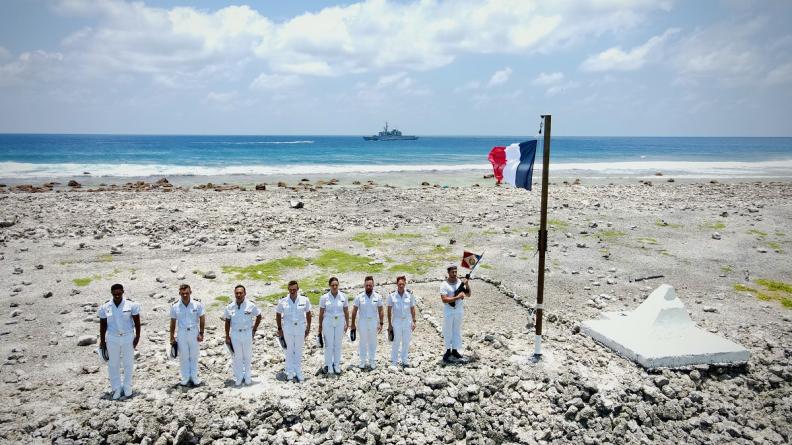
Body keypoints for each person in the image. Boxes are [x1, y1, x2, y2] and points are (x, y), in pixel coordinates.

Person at [98, 283, 141, 400]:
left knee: (128, 363)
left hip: (128, 336)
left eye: (119, 293)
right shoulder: (105, 306)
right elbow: (103, 325)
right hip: (112, 338)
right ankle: (116, 388)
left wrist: (137, 336)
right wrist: (102, 341)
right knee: (113, 364)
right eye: (115, 294)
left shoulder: (131, 305)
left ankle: (127, 387)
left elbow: (137, 322)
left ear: (123, 292)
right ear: (111, 293)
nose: (117, 296)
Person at [223, 284, 262, 386]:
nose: (239, 295)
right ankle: (239, 377)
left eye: (241, 293)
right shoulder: (230, 306)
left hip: (247, 333)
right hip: (235, 333)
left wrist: (254, 330)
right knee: (238, 357)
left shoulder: (251, 305)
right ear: (234, 294)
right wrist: (227, 336)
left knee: (248, 356)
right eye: (237, 293)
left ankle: (248, 377)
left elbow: (259, 316)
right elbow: (227, 321)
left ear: (245, 293)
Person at [276, 280, 312, 382]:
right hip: (288, 329)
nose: (292, 291)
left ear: (298, 289)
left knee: (299, 349)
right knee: (289, 350)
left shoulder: (304, 300)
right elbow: (278, 314)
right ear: (288, 289)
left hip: (300, 328)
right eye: (290, 290)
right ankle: (289, 371)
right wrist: (279, 328)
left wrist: (308, 327)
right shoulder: (283, 301)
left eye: (294, 290)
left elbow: (308, 313)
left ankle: (298, 370)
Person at [169, 284, 205, 386]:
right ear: (179, 293)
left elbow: (202, 318)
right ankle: (185, 377)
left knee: (194, 355)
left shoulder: (197, 304)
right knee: (184, 356)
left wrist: (201, 333)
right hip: (182, 332)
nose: (185, 295)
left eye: (187, 293)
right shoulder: (175, 306)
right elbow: (172, 322)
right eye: (183, 293)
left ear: (190, 292)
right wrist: (171, 336)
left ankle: (194, 377)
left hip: (194, 332)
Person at [350, 275, 384, 369]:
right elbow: (354, 311)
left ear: (373, 285)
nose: (368, 287)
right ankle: (362, 361)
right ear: (364, 285)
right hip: (362, 321)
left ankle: (372, 360)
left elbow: (381, 310)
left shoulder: (378, 296)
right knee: (363, 341)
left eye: (370, 285)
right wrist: (352, 324)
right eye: (367, 285)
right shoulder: (359, 297)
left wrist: (381, 323)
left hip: (373, 321)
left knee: (373, 341)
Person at [318, 277, 349, 374]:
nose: (335, 287)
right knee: (329, 344)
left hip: (340, 321)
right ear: (329, 286)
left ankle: (336, 364)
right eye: (333, 285)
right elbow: (321, 313)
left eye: (336, 285)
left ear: (338, 285)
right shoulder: (324, 298)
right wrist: (320, 326)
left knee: (338, 344)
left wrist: (347, 323)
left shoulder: (344, 297)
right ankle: (329, 365)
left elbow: (346, 310)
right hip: (328, 322)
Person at [440, 265, 470, 363]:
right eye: (452, 272)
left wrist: (467, 284)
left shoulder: (460, 282)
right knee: (447, 330)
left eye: (455, 272)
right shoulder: (444, 284)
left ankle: (455, 350)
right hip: (449, 310)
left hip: (459, 310)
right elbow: (444, 299)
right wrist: (457, 297)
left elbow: (468, 294)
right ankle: (448, 350)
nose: (454, 274)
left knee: (456, 330)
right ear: (448, 273)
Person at [387, 276, 416, 368]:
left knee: (406, 341)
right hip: (397, 320)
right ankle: (394, 361)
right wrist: (389, 324)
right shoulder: (392, 295)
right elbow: (388, 310)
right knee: (396, 341)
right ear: (397, 284)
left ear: (405, 284)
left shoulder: (409, 294)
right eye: (399, 284)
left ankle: (404, 359)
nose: (401, 286)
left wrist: (414, 321)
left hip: (407, 320)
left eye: (402, 284)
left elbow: (412, 308)